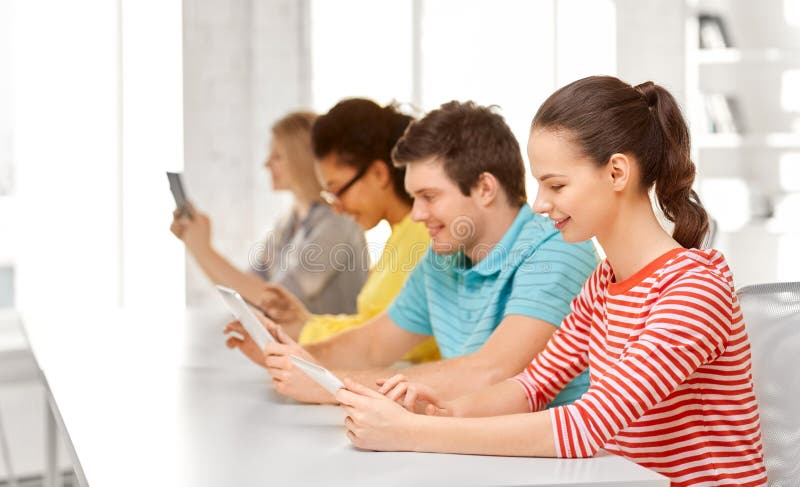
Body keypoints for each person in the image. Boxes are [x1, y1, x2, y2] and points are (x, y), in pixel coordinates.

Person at [337, 76, 767, 487]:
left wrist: (412, 434)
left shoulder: (694, 290)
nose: (540, 204)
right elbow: (531, 386)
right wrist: (443, 414)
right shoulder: (603, 285)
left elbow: (586, 426)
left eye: (556, 185)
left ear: (617, 173)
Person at [225, 101, 598, 407]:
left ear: (485, 188)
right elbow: (372, 344)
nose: (417, 214)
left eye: (429, 197)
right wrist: (290, 355)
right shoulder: (443, 261)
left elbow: (491, 372)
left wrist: (331, 385)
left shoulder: (556, 247)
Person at [242, 99, 439, 362]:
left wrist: (305, 336)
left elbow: (386, 343)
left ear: (379, 174)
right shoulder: (400, 237)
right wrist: (306, 323)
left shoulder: (425, 237)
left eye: (338, 191)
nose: (337, 208)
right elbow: (372, 327)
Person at [170, 111, 368, 314]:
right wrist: (194, 244)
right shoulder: (288, 223)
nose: (266, 164)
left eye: (277, 156)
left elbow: (276, 302)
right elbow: (245, 292)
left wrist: (205, 251)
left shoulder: (337, 224)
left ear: (302, 160)